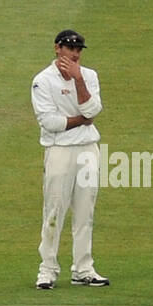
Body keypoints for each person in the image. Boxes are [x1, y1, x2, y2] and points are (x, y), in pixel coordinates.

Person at [31, 29, 109, 289]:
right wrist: (82, 121)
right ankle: (47, 269)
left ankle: (83, 269)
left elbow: (94, 109)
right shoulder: (42, 81)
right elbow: (49, 122)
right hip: (59, 151)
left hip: (88, 150)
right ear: (57, 49)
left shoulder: (88, 76)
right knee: (54, 211)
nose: (75, 53)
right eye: (69, 48)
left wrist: (78, 80)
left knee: (86, 211)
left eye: (78, 49)